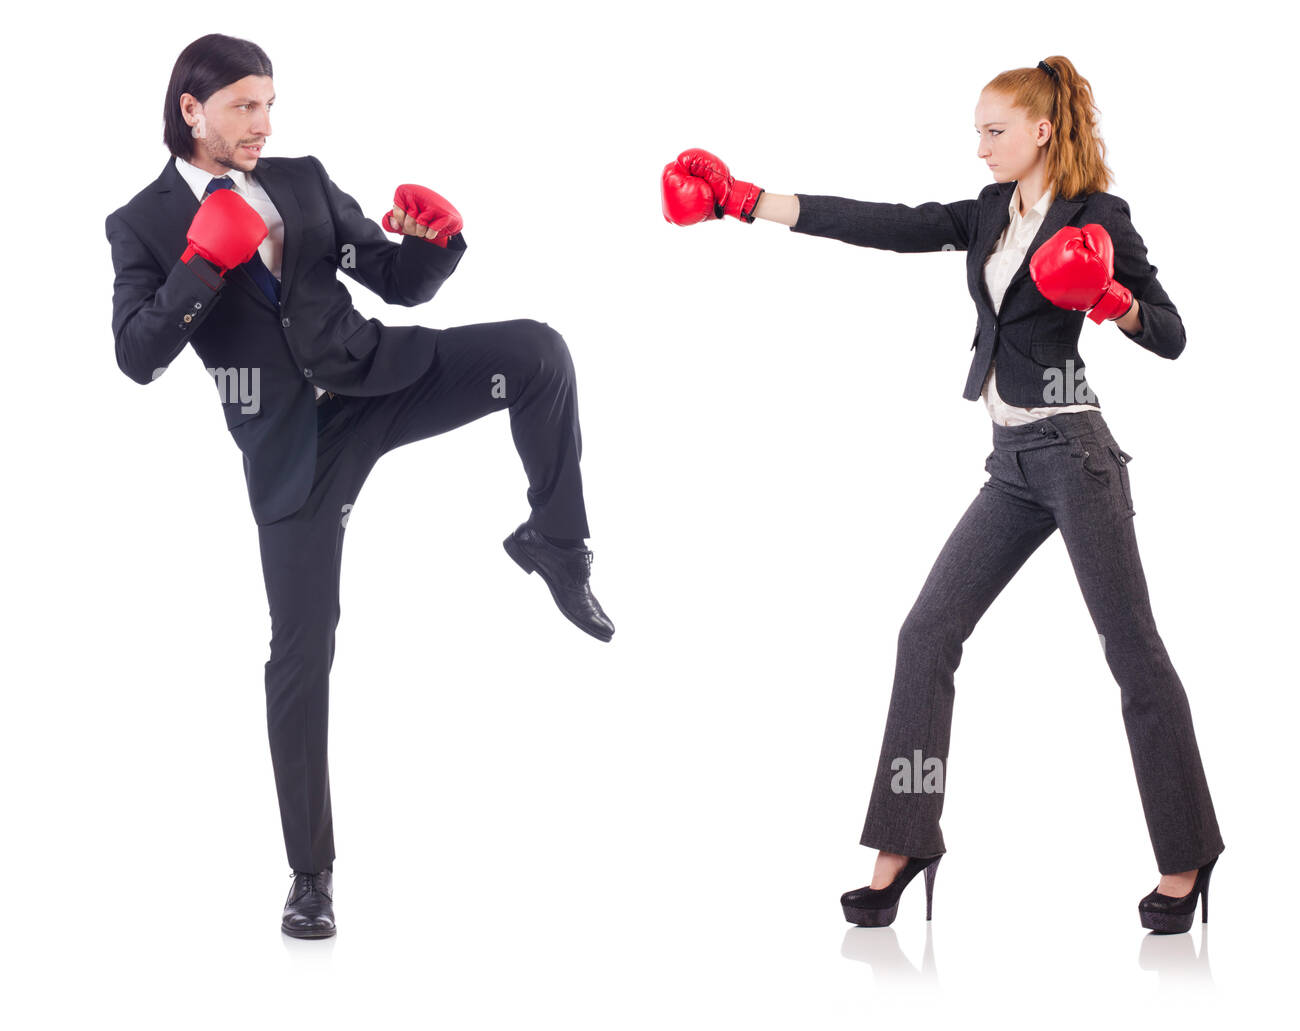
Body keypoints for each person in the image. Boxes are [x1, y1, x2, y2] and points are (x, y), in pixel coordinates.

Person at [661, 56, 1223, 934]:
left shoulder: (1098, 215)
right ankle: (906, 839)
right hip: (1010, 464)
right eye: (977, 133)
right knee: (926, 634)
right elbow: (889, 223)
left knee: (1132, 653)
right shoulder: (994, 212)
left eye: (993, 132)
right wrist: (750, 200)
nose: (980, 148)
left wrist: (1113, 301)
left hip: (1075, 454)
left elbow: (1175, 336)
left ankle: (1187, 858)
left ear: (1041, 130)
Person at [105, 33, 614, 940]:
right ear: (192, 110)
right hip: (292, 445)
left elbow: (390, 279)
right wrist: (201, 263)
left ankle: (557, 544)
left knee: (539, 353)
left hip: (380, 377)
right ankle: (310, 876)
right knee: (301, 657)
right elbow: (137, 354)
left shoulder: (300, 180)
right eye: (244, 107)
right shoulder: (140, 221)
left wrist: (434, 244)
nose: (264, 124)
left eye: (269, 103)